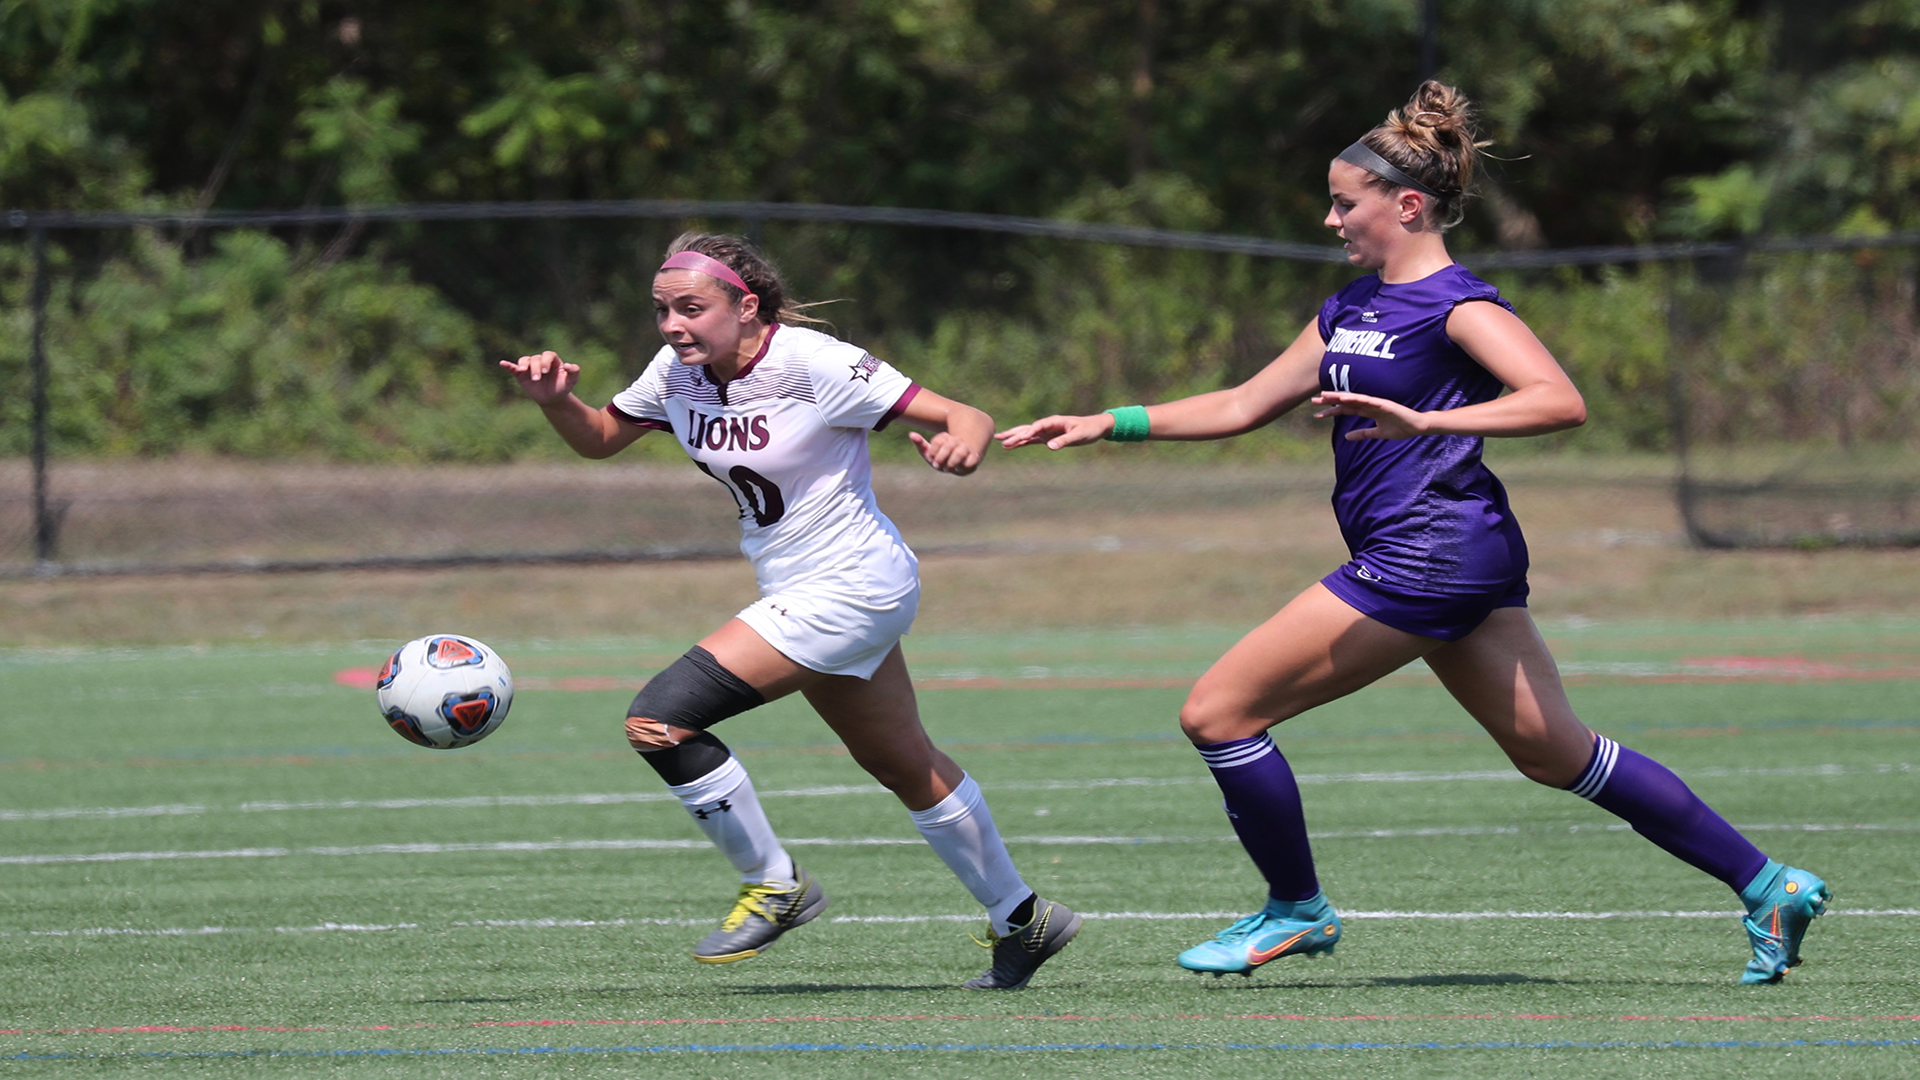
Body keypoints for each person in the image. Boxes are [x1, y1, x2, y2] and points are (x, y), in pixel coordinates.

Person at [996, 81, 1828, 985]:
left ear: (1406, 204)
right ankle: (1769, 884)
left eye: (1343, 202)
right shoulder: (1350, 307)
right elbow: (1242, 404)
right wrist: (1105, 422)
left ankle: (1296, 910)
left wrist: (1430, 423)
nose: (1330, 219)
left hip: (1429, 554)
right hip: (1444, 554)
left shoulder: (1459, 305)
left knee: (1220, 712)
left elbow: (1560, 400)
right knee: (1556, 752)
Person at [502, 232, 1078, 990]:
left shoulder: (813, 361)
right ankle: (1023, 917)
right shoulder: (679, 373)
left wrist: (961, 447)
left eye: (692, 309)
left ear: (746, 307)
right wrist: (557, 403)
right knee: (902, 764)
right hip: (800, 589)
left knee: (660, 720)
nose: (674, 325)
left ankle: (775, 883)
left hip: (851, 584)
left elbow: (960, 413)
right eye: (662, 310)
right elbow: (602, 438)